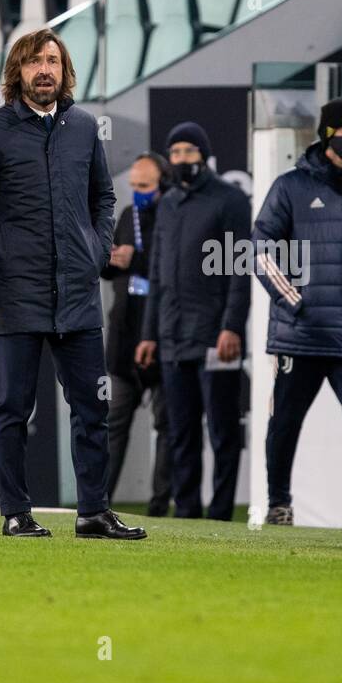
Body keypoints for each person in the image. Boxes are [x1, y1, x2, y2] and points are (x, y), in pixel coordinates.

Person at [0, 29, 146, 541]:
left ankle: (92, 513)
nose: (45, 70)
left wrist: (97, 250)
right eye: (35, 61)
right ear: (16, 71)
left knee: (92, 407)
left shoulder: (84, 128)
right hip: (16, 292)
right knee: (13, 407)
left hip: (78, 292)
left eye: (53, 62)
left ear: (64, 72)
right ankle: (16, 512)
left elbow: (104, 199)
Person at [251, 98, 342, 528]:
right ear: (326, 134)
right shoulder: (290, 187)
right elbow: (260, 250)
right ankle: (279, 504)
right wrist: (293, 300)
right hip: (303, 336)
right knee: (285, 424)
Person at [135, 123, 250, 521]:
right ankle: (185, 512)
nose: (183, 159)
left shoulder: (230, 199)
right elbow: (156, 273)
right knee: (180, 433)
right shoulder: (166, 204)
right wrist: (149, 333)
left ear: (204, 154)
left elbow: (240, 268)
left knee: (222, 433)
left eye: (189, 151)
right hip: (171, 337)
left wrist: (232, 326)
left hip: (215, 338)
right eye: (176, 152)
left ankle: (220, 514)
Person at [101, 152, 174, 515]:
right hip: (124, 338)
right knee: (113, 426)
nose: (138, 193)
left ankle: (160, 508)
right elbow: (112, 270)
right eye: (133, 186)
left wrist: (137, 261)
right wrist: (109, 259)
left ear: (163, 182)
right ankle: (98, 504)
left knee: (167, 426)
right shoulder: (129, 216)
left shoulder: (175, 214)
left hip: (163, 337)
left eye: (144, 186)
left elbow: (174, 271)